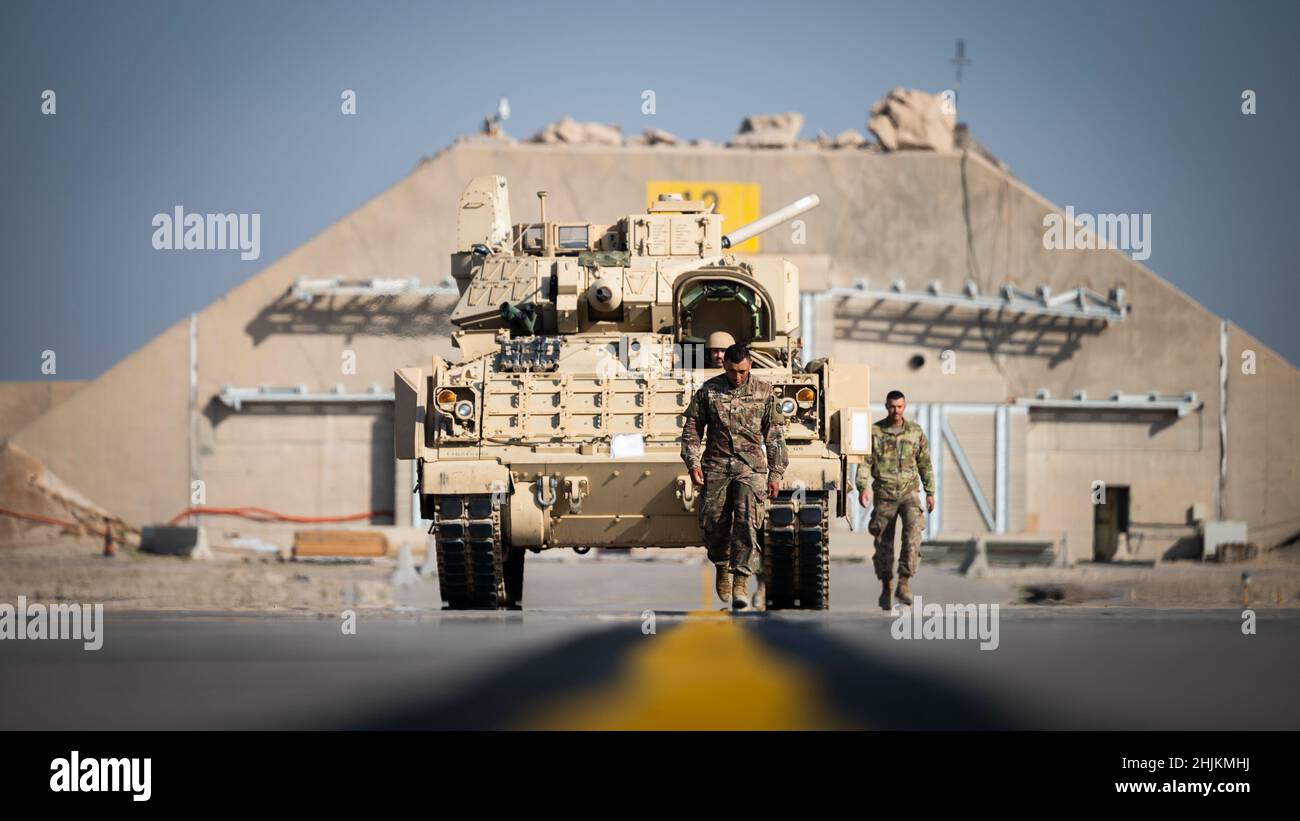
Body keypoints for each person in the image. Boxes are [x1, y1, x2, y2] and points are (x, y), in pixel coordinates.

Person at [681, 344, 787, 610]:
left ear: (749, 365)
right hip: (716, 465)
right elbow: (692, 431)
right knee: (714, 523)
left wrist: (776, 473)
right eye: (731, 371)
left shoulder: (764, 392)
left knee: (747, 523)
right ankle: (721, 564)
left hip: (750, 468)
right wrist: (693, 463)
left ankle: (741, 580)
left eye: (741, 371)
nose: (737, 377)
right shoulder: (708, 391)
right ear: (724, 365)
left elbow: (774, 436)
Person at [855, 390, 935, 610]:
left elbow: (925, 463)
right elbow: (864, 462)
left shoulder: (915, 432)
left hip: (909, 493)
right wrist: (862, 487)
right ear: (886, 406)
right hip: (884, 494)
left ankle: (904, 583)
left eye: (899, 407)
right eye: (892, 406)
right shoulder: (875, 432)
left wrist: (930, 492)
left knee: (913, 536)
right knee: (883, 543)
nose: (895, 411)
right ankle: (886, 586)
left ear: (905, 407)